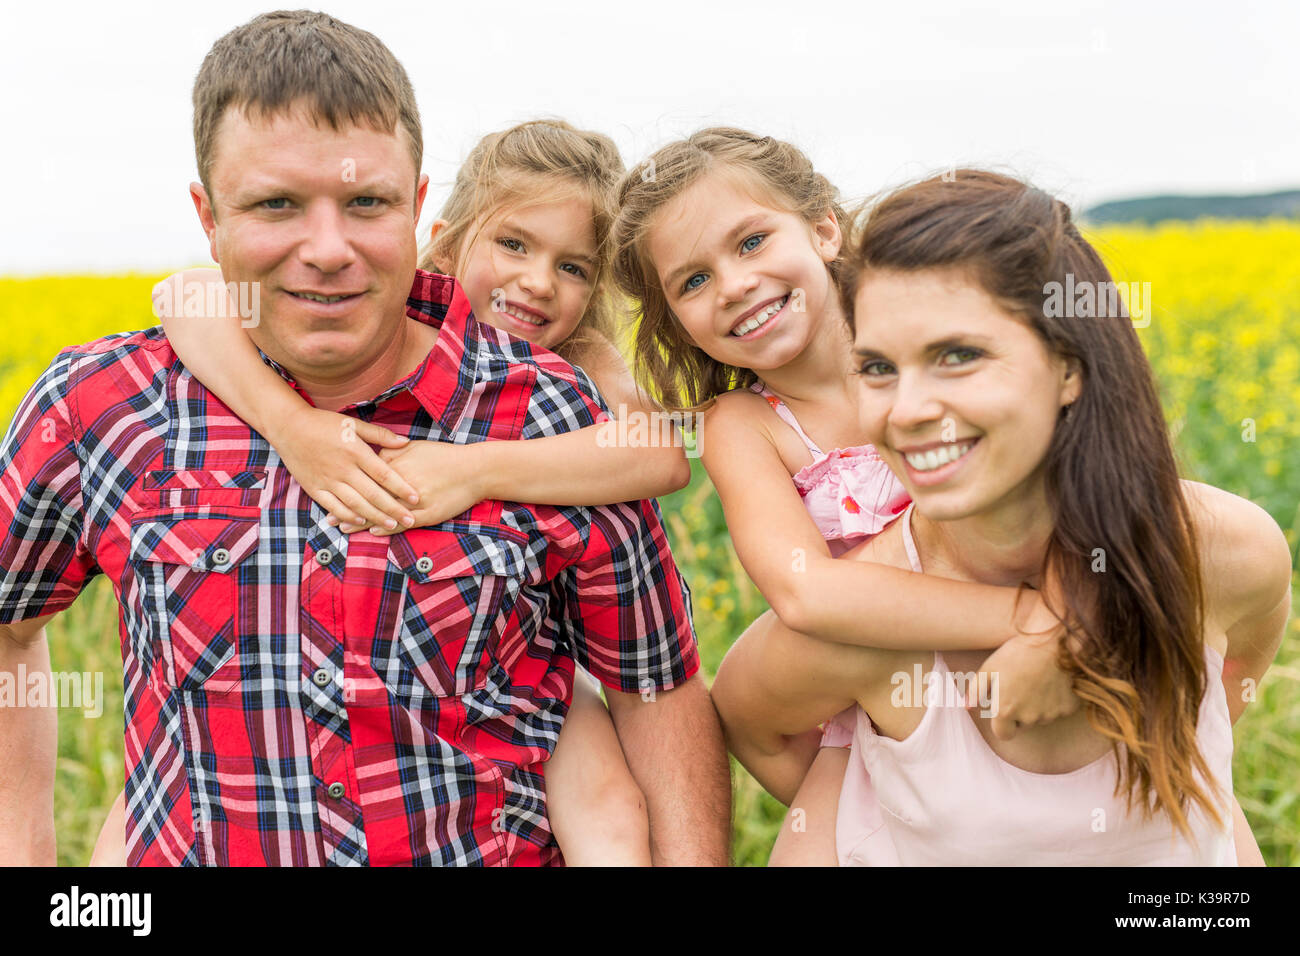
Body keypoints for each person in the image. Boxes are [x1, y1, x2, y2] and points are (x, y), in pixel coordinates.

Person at [0, 10, 728, 867]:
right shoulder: (105, 405)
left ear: (419, 207)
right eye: (275, 204)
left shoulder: (553, 411)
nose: (328, 249)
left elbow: (657, 688)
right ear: (209, 217)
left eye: (366, 203)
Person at [710, 170, 1289, 864]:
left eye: (959, 356)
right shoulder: (864, 627)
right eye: (877, 368)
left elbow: (1230, 683)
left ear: (1069, 367)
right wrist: (887, 804)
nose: (908, 409)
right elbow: (751, 723)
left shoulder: (1225, 552)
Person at [610, 129, 1083, 808]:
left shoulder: (934, 344)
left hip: (1041, 669)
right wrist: (1033, 618)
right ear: (679, 322)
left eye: (751, 242)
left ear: (824, 229)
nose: (736, 284)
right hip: (878, 711)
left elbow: (1073, 480)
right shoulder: (744, 428)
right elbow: (806, 597)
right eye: (693, 280)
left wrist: (1063, 623)